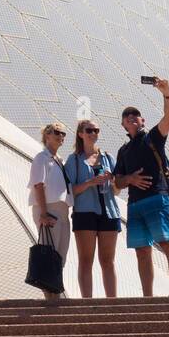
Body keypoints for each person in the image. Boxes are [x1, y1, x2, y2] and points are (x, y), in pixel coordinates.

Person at [112, 77, 169, 296]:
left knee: (166, 242)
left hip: (156, 197)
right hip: (134, 204)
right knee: (142, 251)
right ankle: (148, 297)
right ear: (123, 124)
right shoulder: (123, 151)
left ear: (142, 120)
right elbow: (117, 181)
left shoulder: (152, 137)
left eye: (135, 115)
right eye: (127, 116)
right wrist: (130, 179)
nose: (131, 117)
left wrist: (167, 94)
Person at [65, 119, 122, 297]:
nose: (93, 134)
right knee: (85, 260)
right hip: (84, 212)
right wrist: (90, 183)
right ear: (80, 134)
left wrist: (112, 180)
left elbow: (117, 190)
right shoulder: (74, 160)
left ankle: (112, 303)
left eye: (96, 130)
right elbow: (69, 191)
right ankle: (87, 302)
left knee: (108, 261)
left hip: (109, 211)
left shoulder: (108, 157)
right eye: (89, 130)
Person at [27, 121, 70, 299]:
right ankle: (51, 300)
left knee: (59, 256)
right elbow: (38, 185)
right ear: (47, 135)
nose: (60, 136)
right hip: (49, 209)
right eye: (56, 132)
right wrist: (44, 213)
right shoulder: (41, 158)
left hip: (62, 211)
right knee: (49, 255)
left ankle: (54, 297)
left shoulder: (59, 160)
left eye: (63, 133)